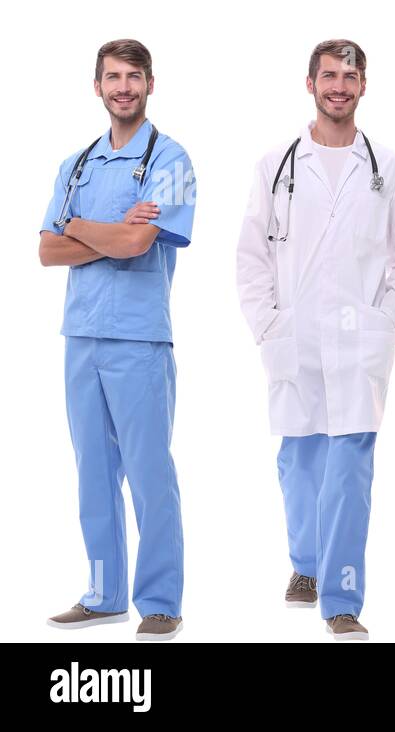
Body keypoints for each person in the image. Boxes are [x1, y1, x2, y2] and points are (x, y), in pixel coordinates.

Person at [236, 39, 395, 641]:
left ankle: (341, 596)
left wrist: (383, 328)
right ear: (310, 83)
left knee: (349, 471)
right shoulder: (277, 163)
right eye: (329, 75)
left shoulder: (389, 168)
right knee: (299, 463)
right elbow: (251, 255)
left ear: (364, 85)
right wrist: (269, 325)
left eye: (350, 76)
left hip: (358, 346)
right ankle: (305, 564)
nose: (339, 86)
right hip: (295, 336)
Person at [41, 39, 197, 642]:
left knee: (149, 471)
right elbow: (46, 250)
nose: (123, 86)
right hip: (81, 336)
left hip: (138, 338)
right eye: (113, 77)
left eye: (134, 76)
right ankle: (103, 594)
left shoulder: (172, 160)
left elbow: (139, 244)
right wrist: (106, 230)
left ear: (150, 84)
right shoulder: (76, 165)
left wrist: (77, 225)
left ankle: (160, 600)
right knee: (93, 472)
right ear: (98, 86)